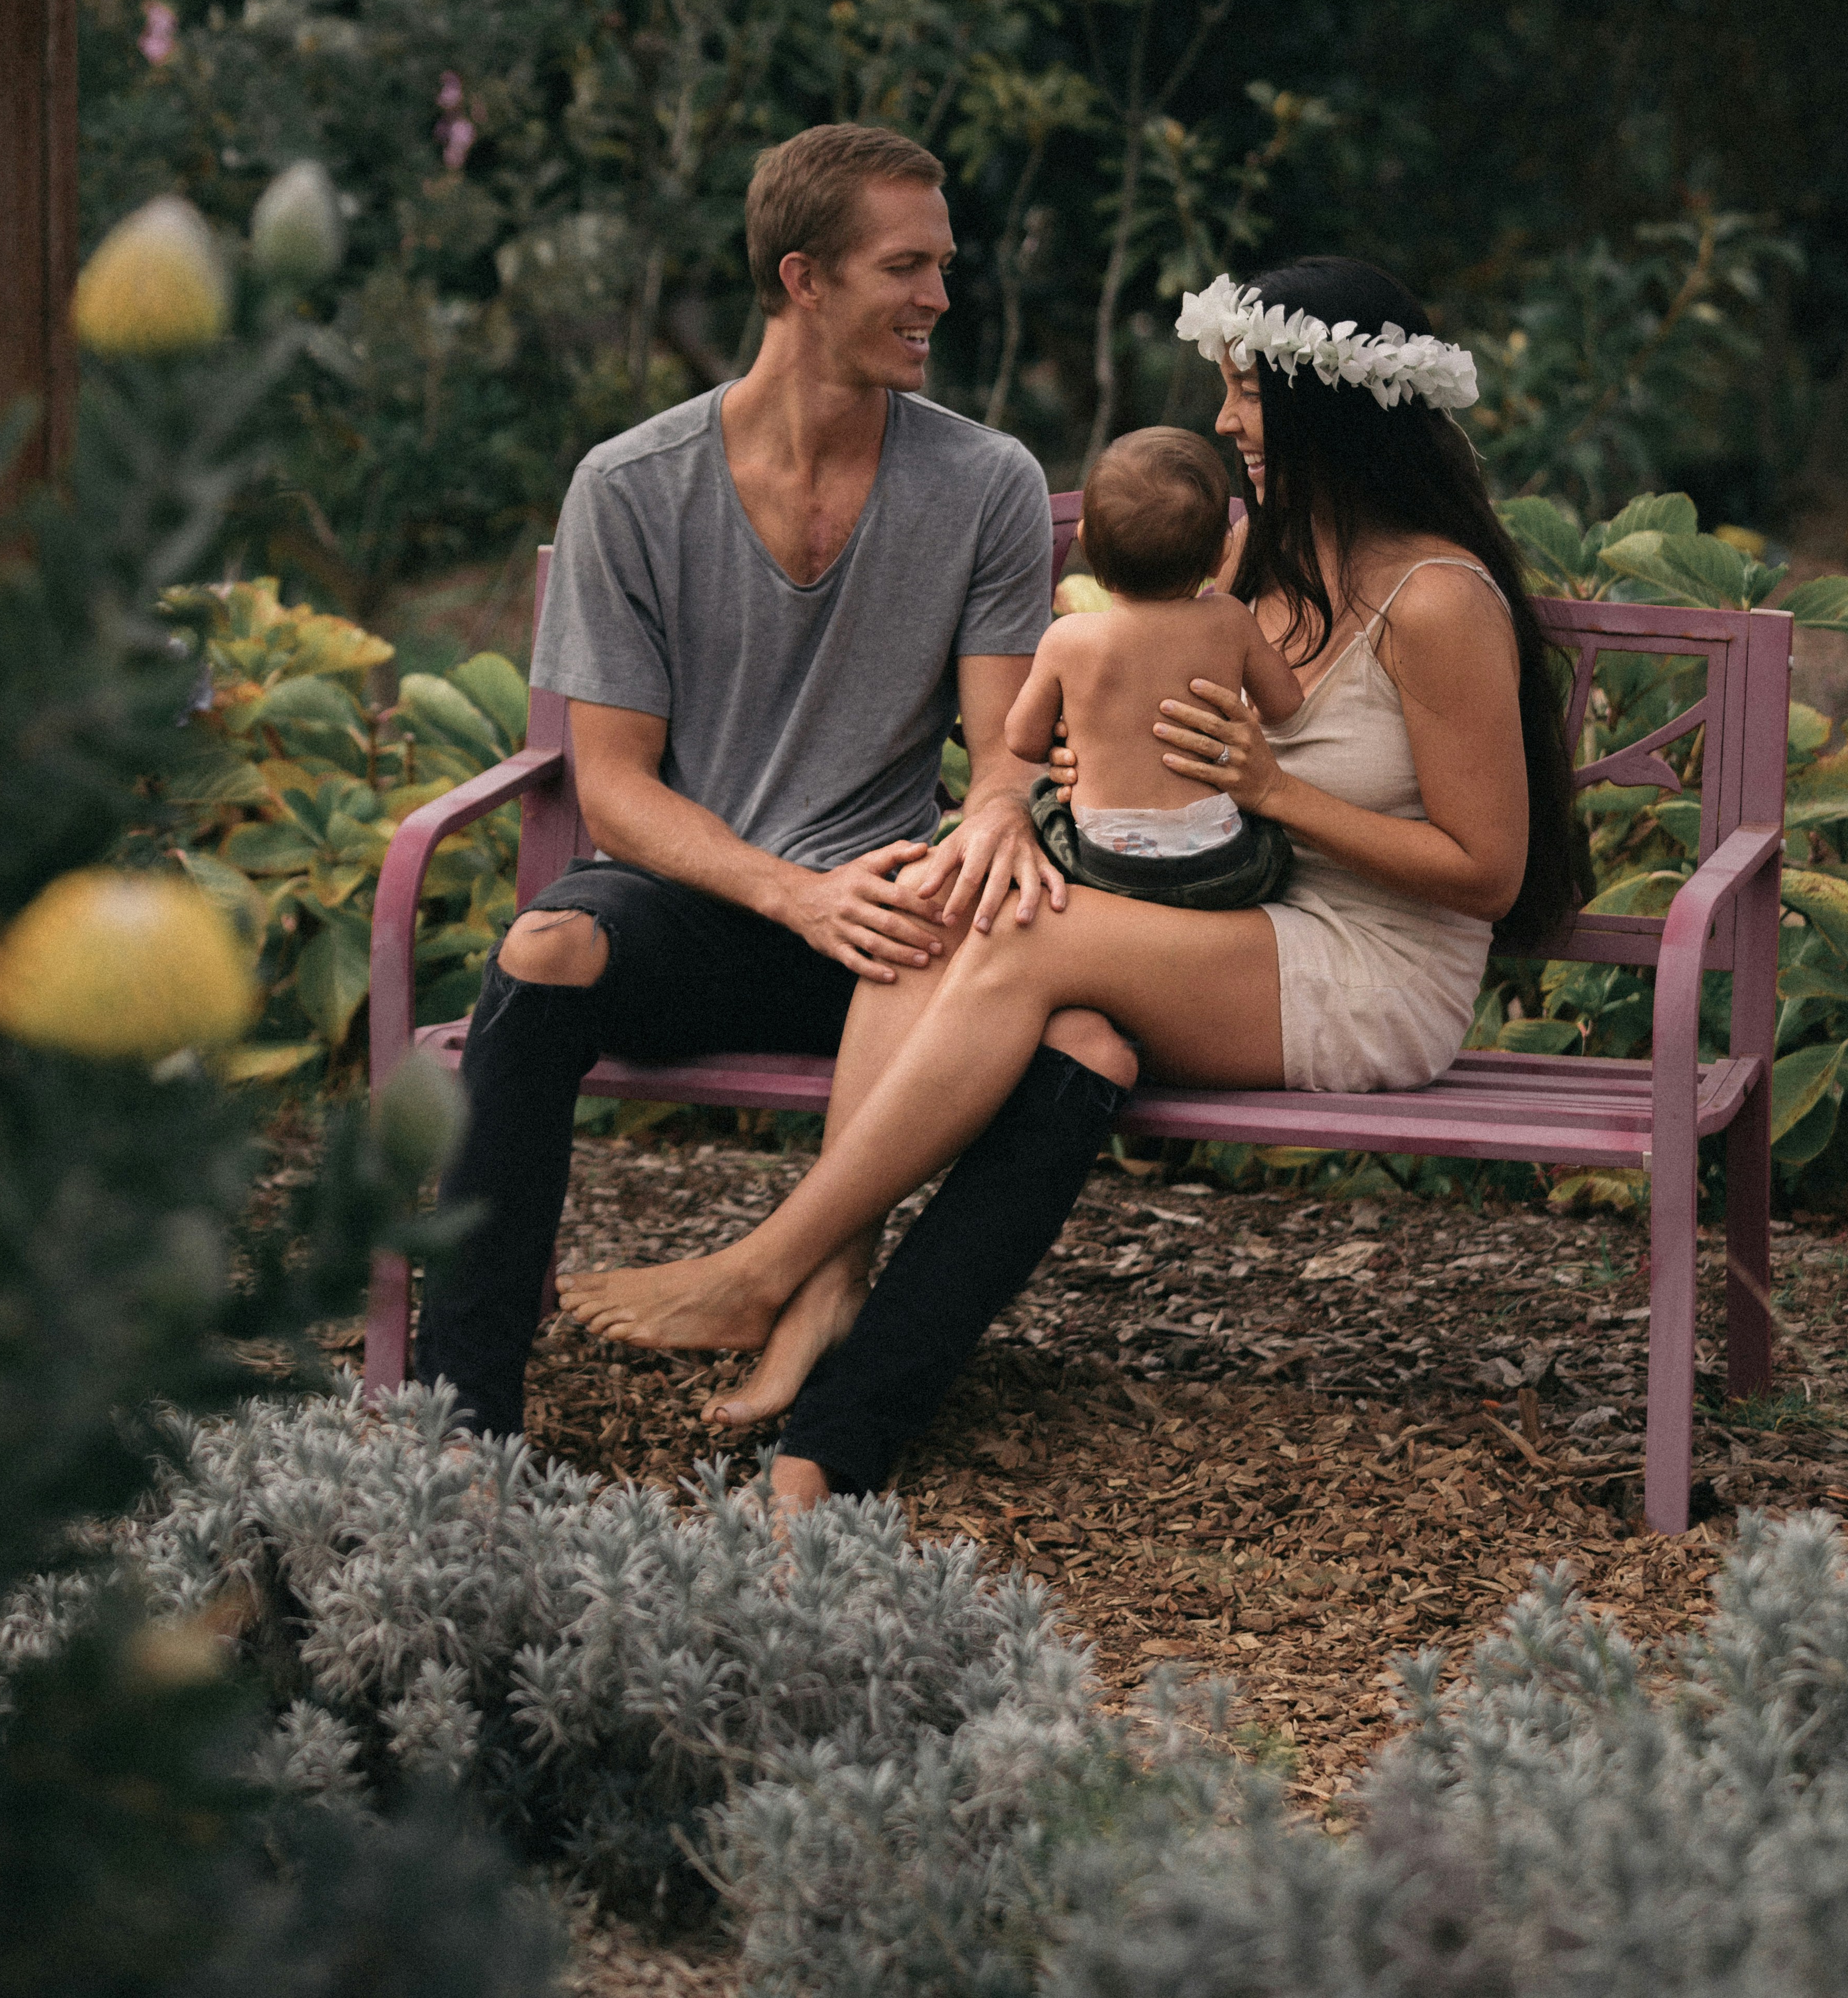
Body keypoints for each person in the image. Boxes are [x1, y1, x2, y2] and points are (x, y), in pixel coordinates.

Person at [559, 255, 1581, 1495]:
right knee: (952, 896)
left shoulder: (1437, 598)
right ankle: (830, 1305)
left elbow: (1487, 869)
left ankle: (770, 1261)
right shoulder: (1260, 560)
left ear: (1329, 406)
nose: (1221, 421)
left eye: (1246, 392)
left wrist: (1273, 791)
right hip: (1234, 920)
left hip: (1371, 970)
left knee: (1021, 935)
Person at [416, 122, 1138, 1505]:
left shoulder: (983, 482)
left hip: (890, 919)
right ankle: (462, 1427)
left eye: (943, 265)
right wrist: (787, 890)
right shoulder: (632, 486)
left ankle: (836, 1425)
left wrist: (995, 811)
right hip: (714, 901)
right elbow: (613, 788)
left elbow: (1005, 750)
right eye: (905, 267)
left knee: (1078, 1044)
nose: (938, 297)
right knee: (543, 950)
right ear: (802, 278)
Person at [1007, 425, 1303, 902]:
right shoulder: (1229, 620)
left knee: (1044, 800)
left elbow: (1022, 741)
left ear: (1083, 539)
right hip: (1223, 862)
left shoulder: (1068, 638)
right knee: (1273, 843)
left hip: (1106, 863)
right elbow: (1286, 706)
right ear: (1220, 555)